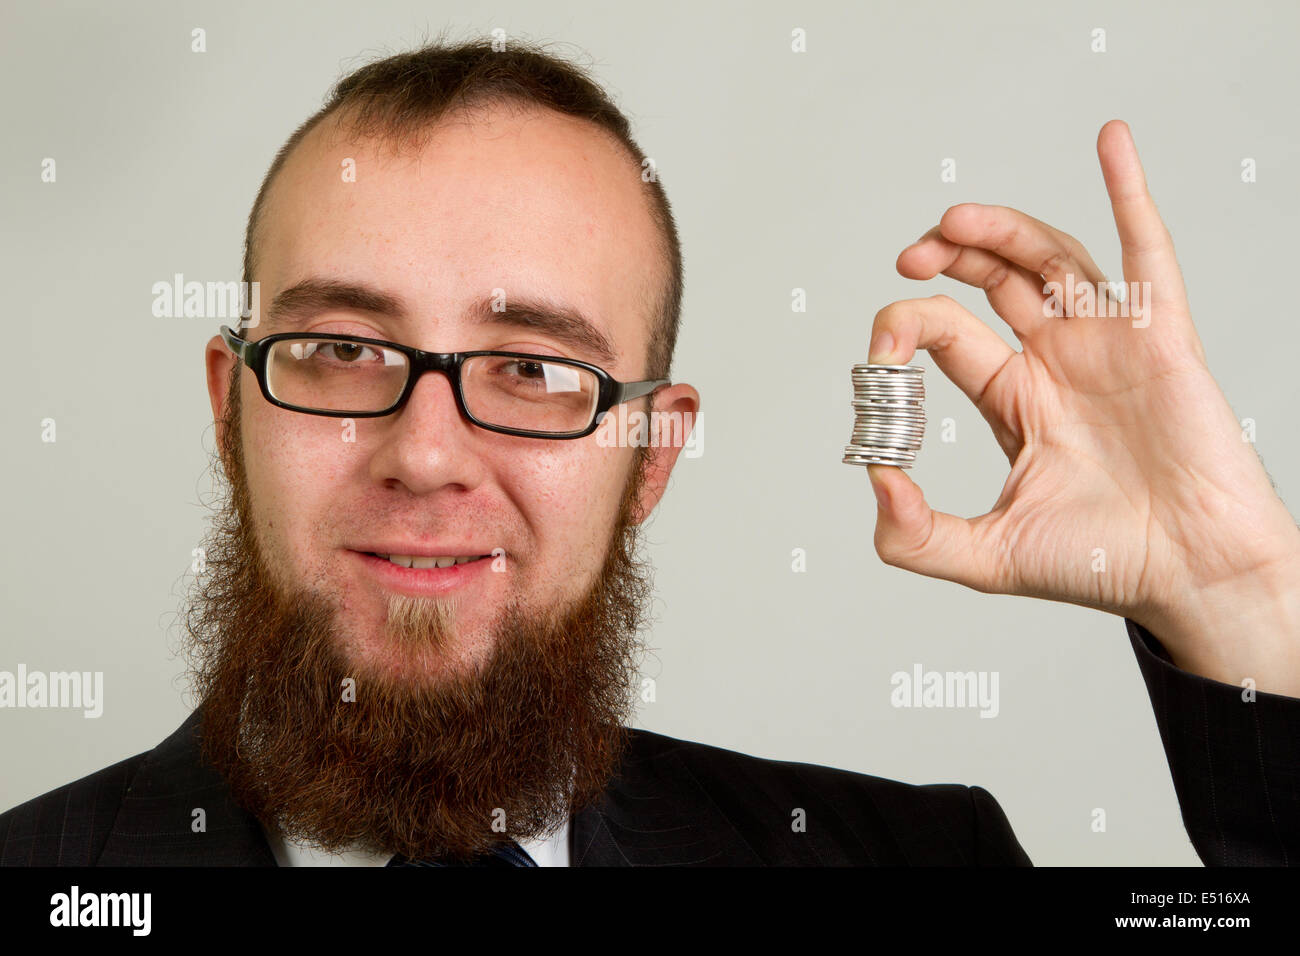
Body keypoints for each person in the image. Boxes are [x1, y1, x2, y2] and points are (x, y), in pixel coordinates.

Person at [2, 37, 1298, 867]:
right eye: (343, 350)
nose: (427, 453)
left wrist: (1238, 606)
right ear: (232, 408)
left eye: (535, 368)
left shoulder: (908, 863)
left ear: (653, 455)